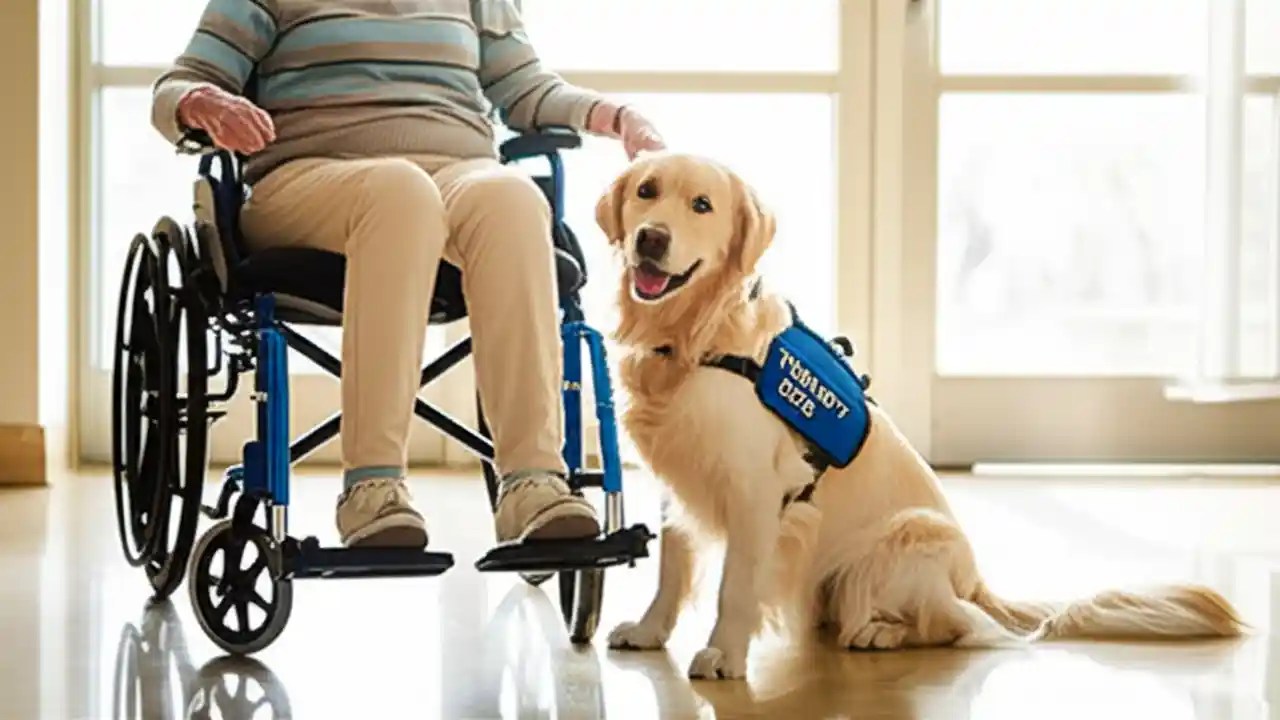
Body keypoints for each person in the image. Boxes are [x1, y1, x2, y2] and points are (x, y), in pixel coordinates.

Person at [151, 0, 665, 549]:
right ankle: (371, 486)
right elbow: (179, 84)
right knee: (401, 191)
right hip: (307, 179)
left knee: (512, 196)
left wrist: (615, 115)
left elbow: (524, 89)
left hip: (456, 173)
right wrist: (200, 103)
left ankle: (532, 481)